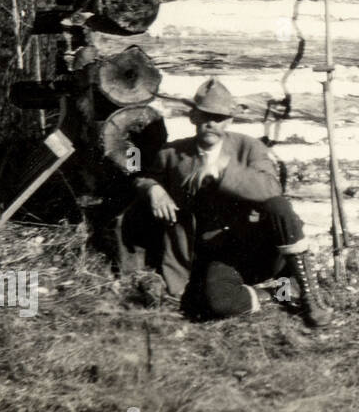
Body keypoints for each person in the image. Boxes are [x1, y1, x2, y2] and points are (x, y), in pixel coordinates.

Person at [129, 78, 332, 326]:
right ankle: (283, 291)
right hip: (221, 257)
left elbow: (271, 188)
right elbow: (140, 174)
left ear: (230, 121)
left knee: (279, 206)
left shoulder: (249, 148)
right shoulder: (172, 154)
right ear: (193, 117)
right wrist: (153, 188)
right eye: (205, 115)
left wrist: (224, 170)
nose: (211, 123)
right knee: (219, 302)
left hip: (257, 247)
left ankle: (310, 296)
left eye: (219, 117)